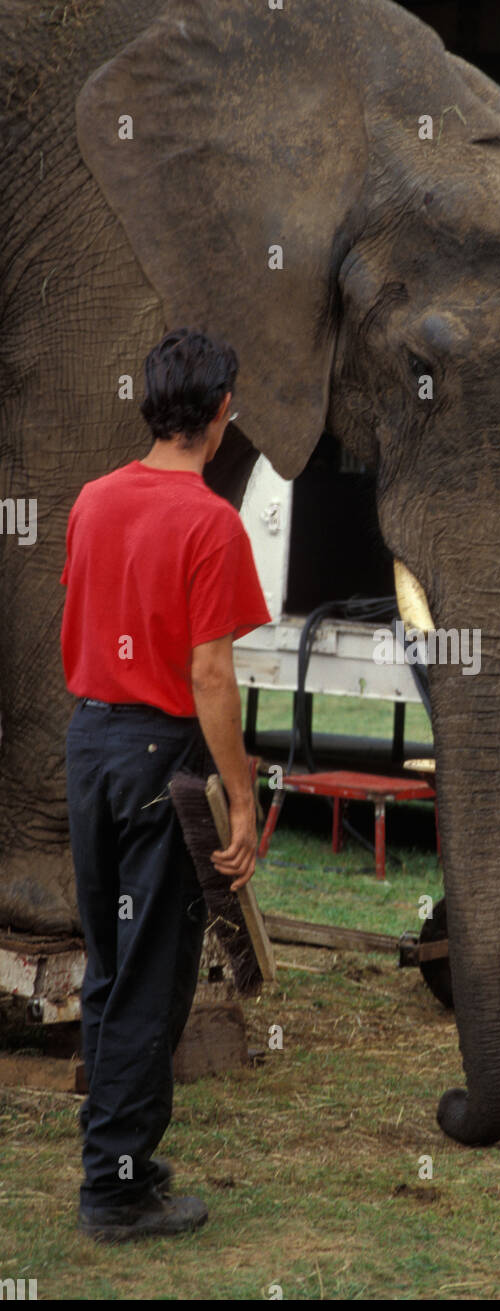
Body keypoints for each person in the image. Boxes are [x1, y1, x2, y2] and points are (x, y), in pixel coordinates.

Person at [61, 328, 271, 1239]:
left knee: (111, 968)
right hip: (160, 756)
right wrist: (242, 792)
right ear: (222, 414)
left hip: (91, 747)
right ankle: (116, 1191)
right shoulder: (211, 523)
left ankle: (114, 1157)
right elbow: (211, 674)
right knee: (152, 976)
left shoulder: (93, 500)